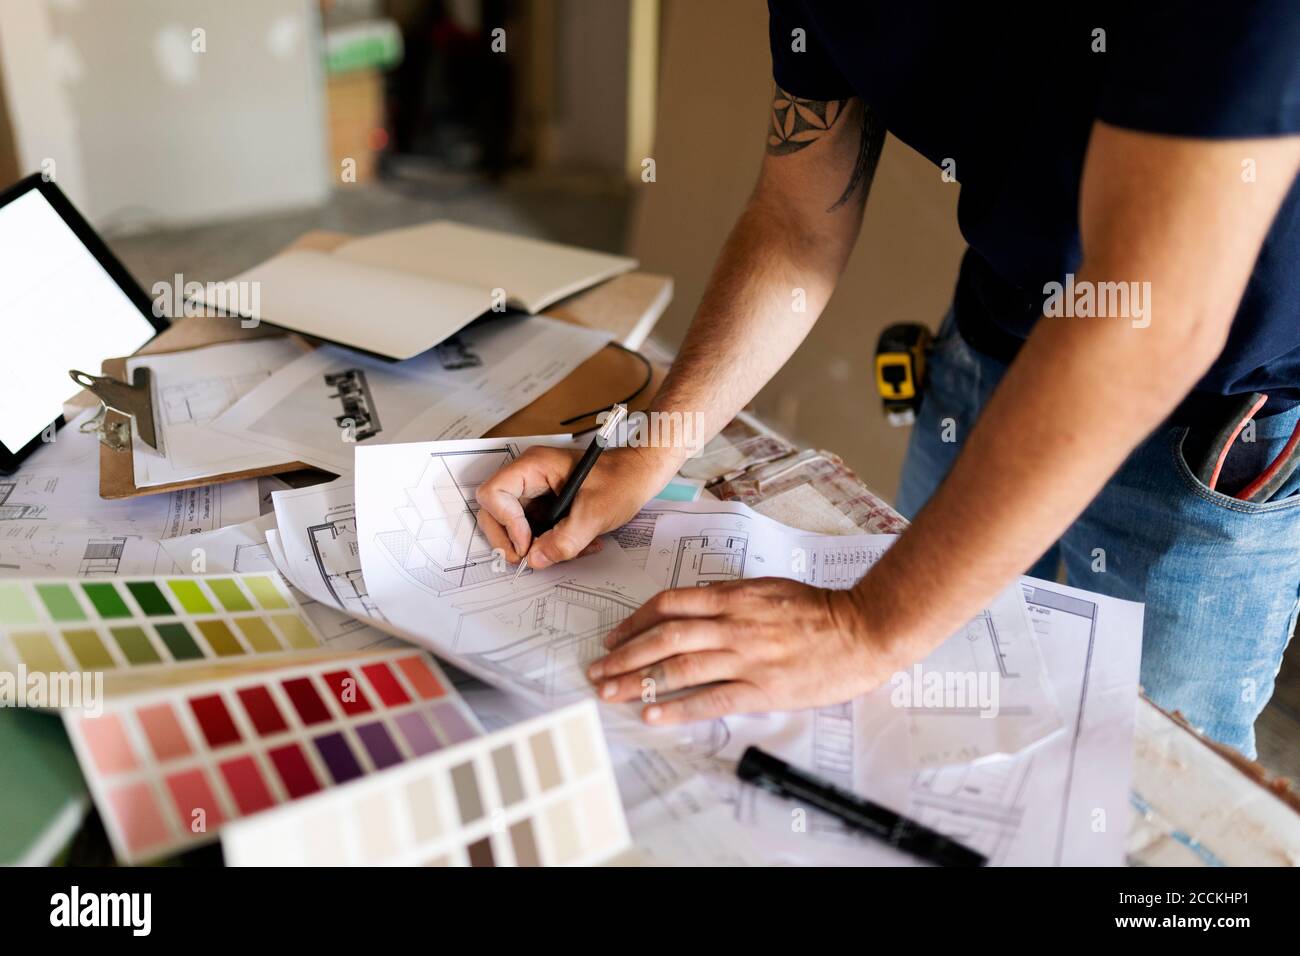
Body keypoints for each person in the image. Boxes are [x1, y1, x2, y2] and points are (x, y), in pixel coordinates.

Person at [475, 3, 1300, 756]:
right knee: (925, 734)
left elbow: (1150, 317)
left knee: (1146, 792)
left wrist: (865, 625)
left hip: (1216, 434)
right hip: (992, 342)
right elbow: (797, 225)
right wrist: (646, 452)